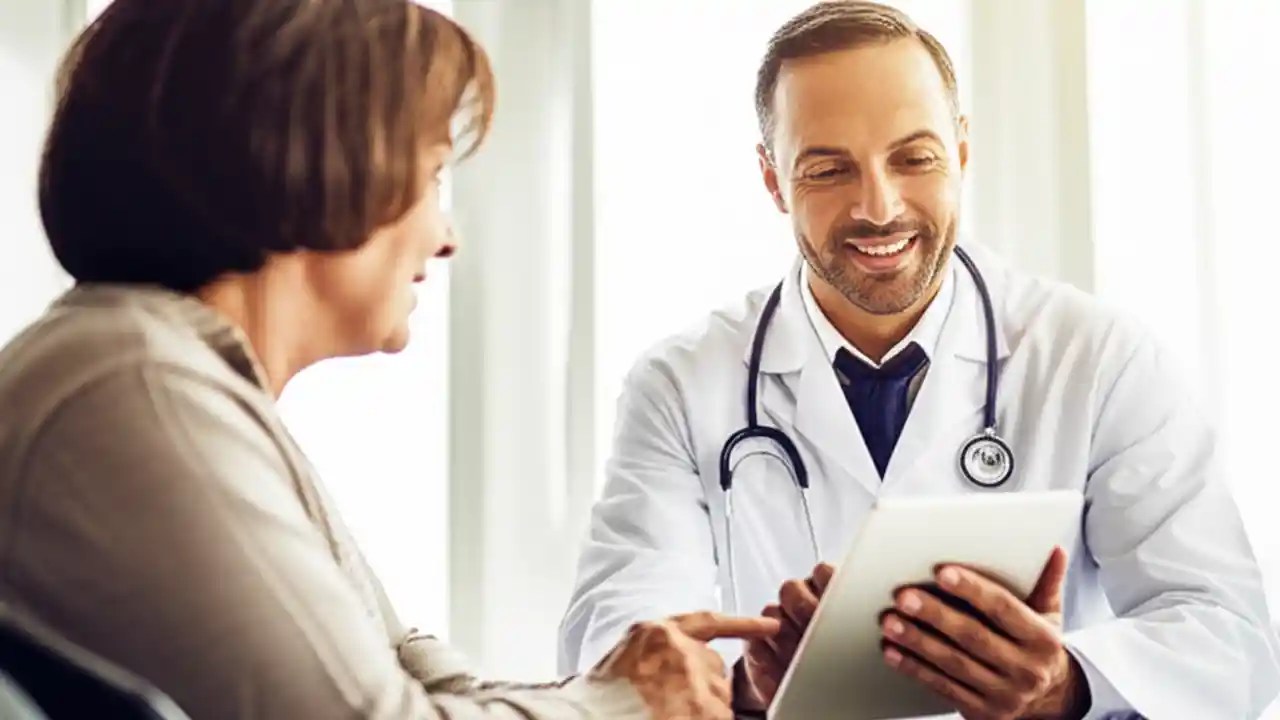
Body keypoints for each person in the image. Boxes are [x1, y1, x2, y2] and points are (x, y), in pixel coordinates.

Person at [0, 1, 779, 718]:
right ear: (311, 155)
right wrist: (626, 703)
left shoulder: (175, 380)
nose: (447, 236)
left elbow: (411, 677)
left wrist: (703, 688)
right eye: (434, 174)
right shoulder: (133, 386)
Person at [558, 2, 1280, 718]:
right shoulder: (680, 387)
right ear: (773, 180)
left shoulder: (1101, 361)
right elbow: (617, 652)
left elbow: (1229, 639)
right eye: (828, 169)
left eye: (915, 159)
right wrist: (745, 685)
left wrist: (1061, 685)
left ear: (961, 152)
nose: (879, 207)